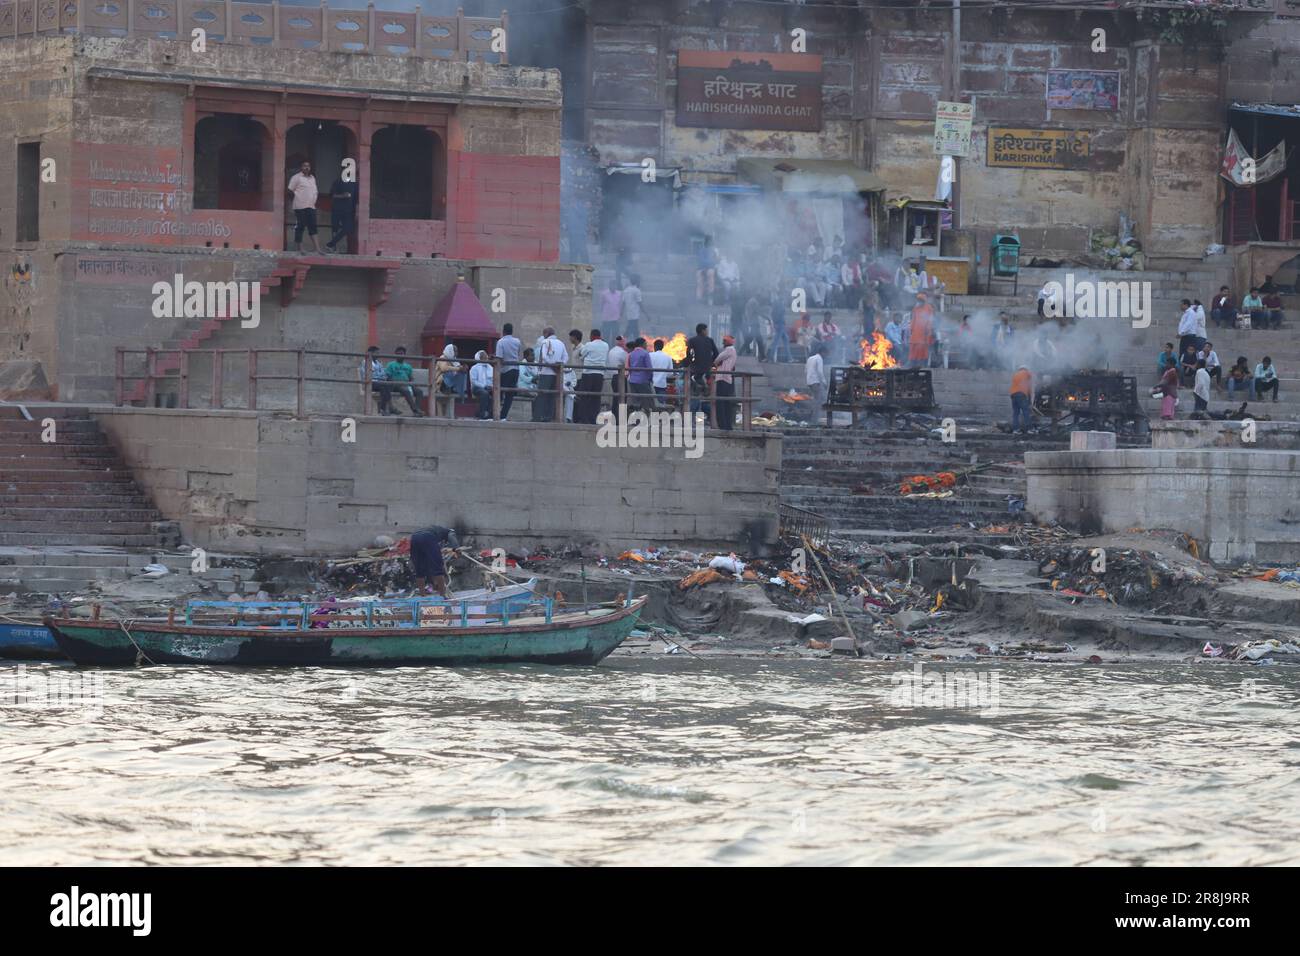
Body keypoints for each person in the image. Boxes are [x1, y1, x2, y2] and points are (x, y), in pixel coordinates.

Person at [408, 525, 460, 597]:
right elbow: (452, 538)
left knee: (419, 569)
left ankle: (423, 596)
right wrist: (456, 549)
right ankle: (442, 596)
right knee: (438, 568)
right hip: (428, 537)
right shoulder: (450, 531)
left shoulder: (436, 529)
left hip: (414, 537)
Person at [573, 328, 608, 424]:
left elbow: (582, 355)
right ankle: (594, 419)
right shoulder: (606, 345)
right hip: (600, 375)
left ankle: (584, 419)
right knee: (596, 398)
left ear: (592, 336)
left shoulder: (589, 345)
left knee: (584, 397)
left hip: (588, 373)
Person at [287, 160, 322, 253]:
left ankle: (317, 249)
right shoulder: (296, 177)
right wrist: (297, 199)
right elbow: (290, 190)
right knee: (301, 226)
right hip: (300, 206)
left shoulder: (312, 178)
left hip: (311, 206)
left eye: (308, 166)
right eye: (304, 166)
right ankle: (300, 248)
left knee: (313, 227)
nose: (306, 167)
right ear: (301, 167)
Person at [533, 327, 567, 422]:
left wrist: (551, 365)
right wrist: (558, 365)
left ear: (546, 333)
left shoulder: (545, 342)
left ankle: (538, 417)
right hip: (557, 374)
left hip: (546, 372)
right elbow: (565, 357)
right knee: (552, 396)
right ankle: (548, 417)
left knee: (542, 396)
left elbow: (544, 356)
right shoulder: (561, 343)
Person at [686, 323, 719, 417]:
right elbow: (716, 354)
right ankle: (707, 419)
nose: (707, 332)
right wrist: (710, 362)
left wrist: (692, 362)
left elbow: (689, 354)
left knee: (695, 396)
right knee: (706, 397)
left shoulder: (692, 340)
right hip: (707, 373)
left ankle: (691, 419)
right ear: (702, 331)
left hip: (695, 373)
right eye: (706, 330)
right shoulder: (710, 340)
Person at [325, 165, 358, 253]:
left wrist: (357, 211)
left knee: (348, 228)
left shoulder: (354, 183)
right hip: (337, 209)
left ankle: (331, 244)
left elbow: (356, 199)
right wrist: (342, 196)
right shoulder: (338, 182)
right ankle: (333, 248)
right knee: (335, 229)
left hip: (349, 211)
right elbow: (332, 195)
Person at [386, 346, 424, 416]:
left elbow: (411, 378)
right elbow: (388, 376)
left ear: (404, 355)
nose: (400, 355)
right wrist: (394, 382)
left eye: (401, 353)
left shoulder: (408, 366)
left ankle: (417, 410)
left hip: (406, 384)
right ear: (395, 354)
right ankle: (414, 409)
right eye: (398, 354)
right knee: (406, 390)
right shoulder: (391, 365)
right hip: (395, 385)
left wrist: (413, 385)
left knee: (419, 391)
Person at [495, 323, 522, 420]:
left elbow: (499, 358)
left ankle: (495, 413)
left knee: (499, 392)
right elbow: (518, 354)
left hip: (505, 370)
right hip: (516, 369)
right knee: (510, 395)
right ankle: (503, 416)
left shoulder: (501, 342)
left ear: (503, 331)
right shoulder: (517, 341)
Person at [713, 334, 738, 430]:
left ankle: (723, 425)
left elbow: (717, 360)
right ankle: (727, 425)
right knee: (726, 403)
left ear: (728, 342)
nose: (723, 342)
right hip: (727, 379)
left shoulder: (729, 350)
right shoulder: (732, 350)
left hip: (723, 378)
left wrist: (717, 363)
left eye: (724, 341)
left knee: (721, 403)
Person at [359, 345, 392, 415]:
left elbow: (384, 374)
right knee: (384, 386)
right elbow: (369, 375)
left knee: (387, 386)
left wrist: (380, 376)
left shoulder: (378, 363)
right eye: (376, 353)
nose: (378, 355)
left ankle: (384, 409)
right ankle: (386, 408)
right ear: (371, 353)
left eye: (378, 353)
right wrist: (381, 376)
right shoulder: (365, 362)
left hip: (379, 382)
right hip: (370, 383)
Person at [432, 344, 463, 416]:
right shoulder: (442, 357)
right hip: (439, 383)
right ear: (450, 351)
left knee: (461, 374)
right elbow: (444, 368)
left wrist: (461, 368)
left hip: (449, 383)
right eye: (455, 351)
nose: (456, 353)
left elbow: (458, 367)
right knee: (448, 373)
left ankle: (458, 391)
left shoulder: (453, 359)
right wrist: (457, 369)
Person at [626, 338, 655, 412]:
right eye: (645, 344)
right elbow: (649, 368)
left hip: (632, 381)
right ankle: (647, 419)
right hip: (643, 381)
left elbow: (628, 368)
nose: (646, 345)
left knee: (636, 401)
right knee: (647, 401)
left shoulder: (631, 354)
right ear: (641, 344)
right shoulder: (645, 353)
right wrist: (650, 379)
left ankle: (637, 419)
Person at [908, 293, 935, 368]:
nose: (919, 302)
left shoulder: (929, 308)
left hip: (924, 333)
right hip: (915, 333)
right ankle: (912, 364)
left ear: (924, 301)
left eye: (921, 300)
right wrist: (911, 329)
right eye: (918, 300)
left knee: (923, 349)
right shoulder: (915, 308)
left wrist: (928, 330)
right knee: (914, 347)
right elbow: (913, 319)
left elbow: (930, 320)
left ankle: (922, 365)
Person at [605, 334, 629, 415]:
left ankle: (614, 416)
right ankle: (621, 417)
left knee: (615, 398)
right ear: (622, 342)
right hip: (620, 377)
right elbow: (626, 364)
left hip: (613, 377)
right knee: (623, 398)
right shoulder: (622, 352)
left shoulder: (611, 351)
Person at [769, 285, 791, 362]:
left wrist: (784, 323)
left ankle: (789, 358)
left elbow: (781, 314)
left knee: (785, 341)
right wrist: (775, 323)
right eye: (784, 294)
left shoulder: (781, 302)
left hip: (781, 324)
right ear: (781, 294)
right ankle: (770, 357)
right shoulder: (777, 302)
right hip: (779, 324)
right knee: (776, 342)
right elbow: (774, 314)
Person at [649, 338, 674, 406]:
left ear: (655, 346)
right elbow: (670, 373)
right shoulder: (668, 357)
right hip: (661, 385)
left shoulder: (650, 355)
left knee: (650, 404)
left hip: (650, 384)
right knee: (661, 406)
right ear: (662, 347)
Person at [470, 350, 494, 420]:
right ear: (479, 358)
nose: (486, 358)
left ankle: (491, 414)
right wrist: (483, 386)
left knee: (497, 393)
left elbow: (492, 380)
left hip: (488, 387)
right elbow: (474, 381)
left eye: (486, 356)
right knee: (484, 393)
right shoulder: (474, 368)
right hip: (477, 388)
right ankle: (482, 414)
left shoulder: (490, 368)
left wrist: (491, 386)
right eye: (483, 357)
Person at [1010, 365, 1033, 434]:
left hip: (1013, 395)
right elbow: (1029, 386)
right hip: (1021, 394)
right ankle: (1029, 429)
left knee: (1016, 413)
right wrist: (1029, 401)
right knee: (1026, 412)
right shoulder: (1027, 373)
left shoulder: (1015, 375)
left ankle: (1015, 430)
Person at [620, 274, 644, 341]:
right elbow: (640, 303)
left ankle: (625, 342)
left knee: (633, 330)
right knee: (632, 331)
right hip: (634, 314)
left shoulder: (626, 290)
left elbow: (623, 303)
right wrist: (646, 314)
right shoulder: (637, 291)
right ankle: (621, 341)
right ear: (637, 281)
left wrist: (621, 312)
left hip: (629, 314)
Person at [805, 342, 828, 408]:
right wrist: (824, 383)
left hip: (809, 381)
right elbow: (820, 372)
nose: (825, 356)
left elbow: (806, 370)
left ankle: (812, 413)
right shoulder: (819, 358)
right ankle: (815, 416)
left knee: (815, 398)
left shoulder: (810, 358)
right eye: (826, 354)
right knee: (818, 400)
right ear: (823, 352)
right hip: (815, 382)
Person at [696, 237, 718, 305]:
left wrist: (709, 265)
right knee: (700, 280)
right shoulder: (701, 251)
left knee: (710, 274)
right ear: (705, 243)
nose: (710, 244)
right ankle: (699, 298)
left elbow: (715, 262)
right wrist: (706, 267)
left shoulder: (714, 251)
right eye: (708, 242)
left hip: (710, 269)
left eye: (711, 242)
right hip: (701, 268)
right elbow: (701, 261)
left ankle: (710, 298)